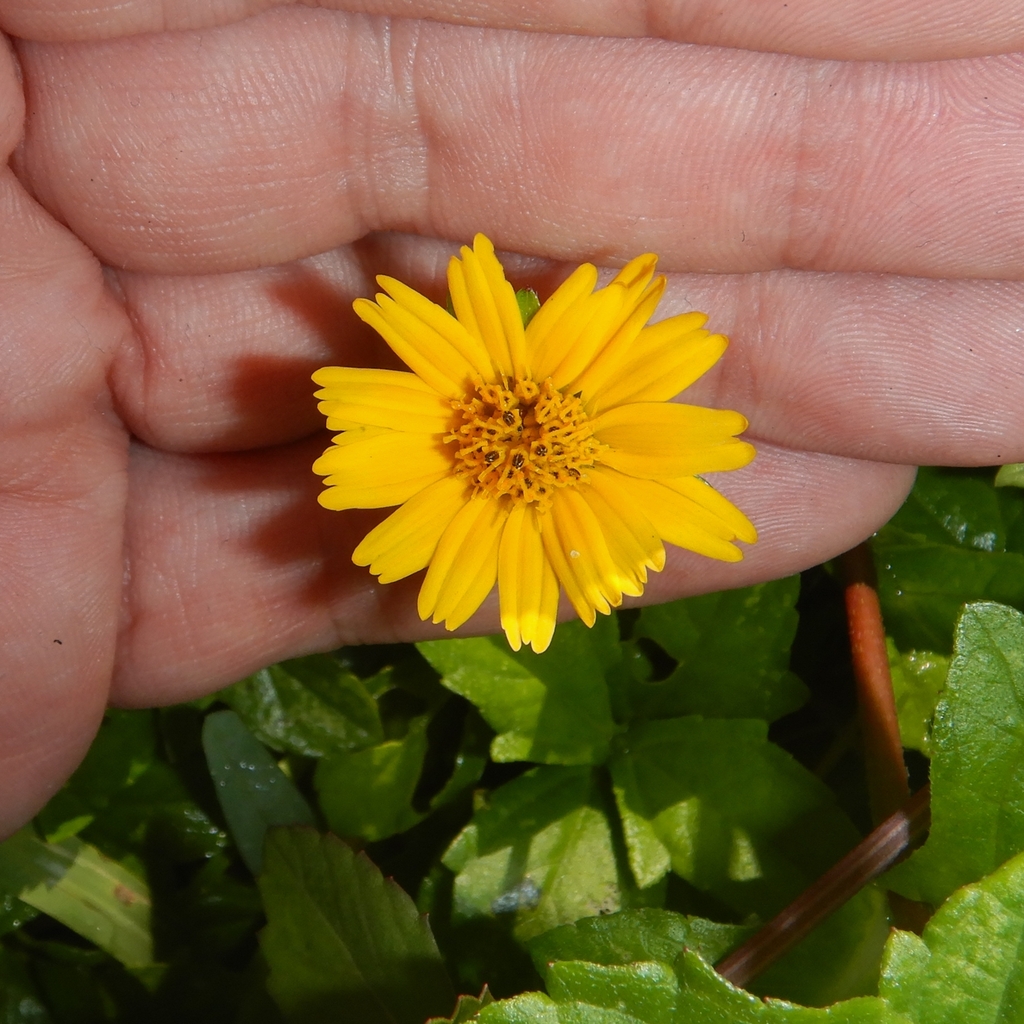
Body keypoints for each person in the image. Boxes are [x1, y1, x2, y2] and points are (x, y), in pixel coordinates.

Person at [2, 0, 1022, 838]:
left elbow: (591, 546)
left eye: (530, 435)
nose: (526, 438)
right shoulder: (485, 375)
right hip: (457, 376)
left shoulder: (578, 455)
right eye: (523, 429)